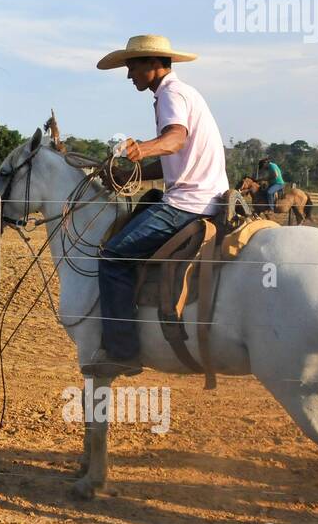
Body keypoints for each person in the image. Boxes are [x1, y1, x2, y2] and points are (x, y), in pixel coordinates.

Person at [83, 34, 230, 378]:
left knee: (113, 257)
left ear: (153, 64)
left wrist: (143, 148)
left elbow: (176, 138)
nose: (129, 74)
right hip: (209, 196)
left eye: (132, 65)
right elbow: (175, 155)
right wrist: (129, 170)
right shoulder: (184, 93)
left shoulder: (170, 94)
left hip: (189, 202)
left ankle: (122, 353)